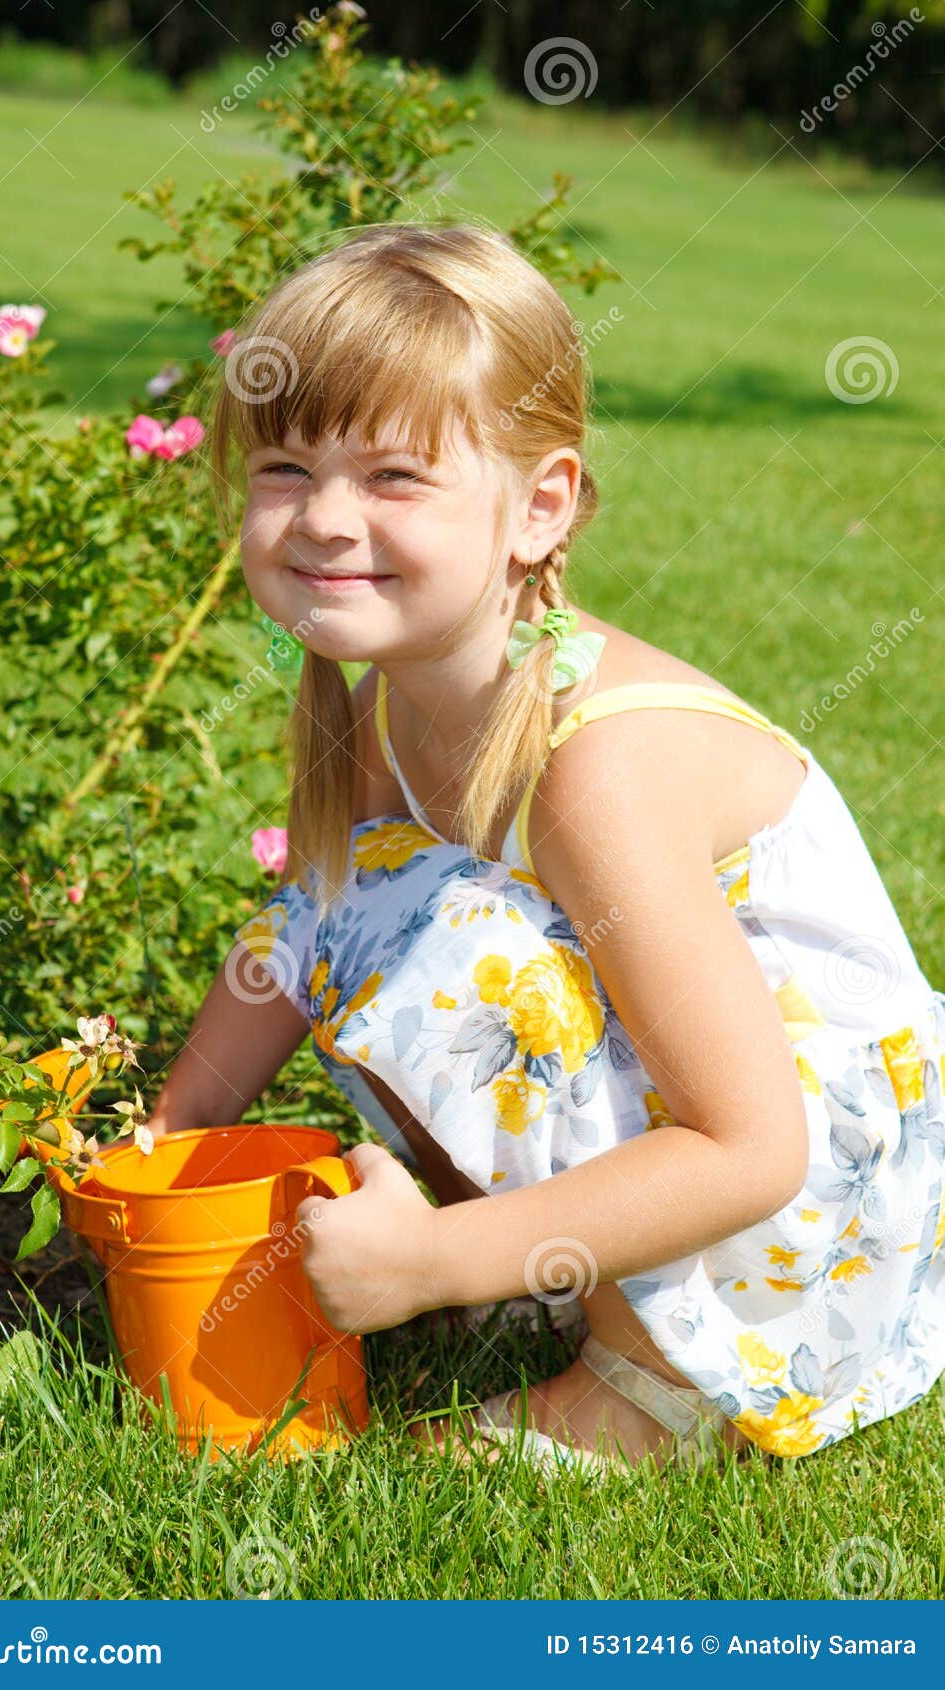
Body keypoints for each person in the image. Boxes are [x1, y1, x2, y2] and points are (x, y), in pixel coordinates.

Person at [147, 222, 945, 1475]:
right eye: (287, 466)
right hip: (749, 1161)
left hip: (825, 1221)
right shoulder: (395, 695)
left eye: (394, 477)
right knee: (370, 899)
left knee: (465, 950)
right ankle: (548, 1274)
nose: (323, 519)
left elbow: (752, 1145)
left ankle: (649, 1392)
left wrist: (431, 1267)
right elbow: (308, 923)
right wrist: (170, 1136)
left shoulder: (595, 771)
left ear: (539, 507)